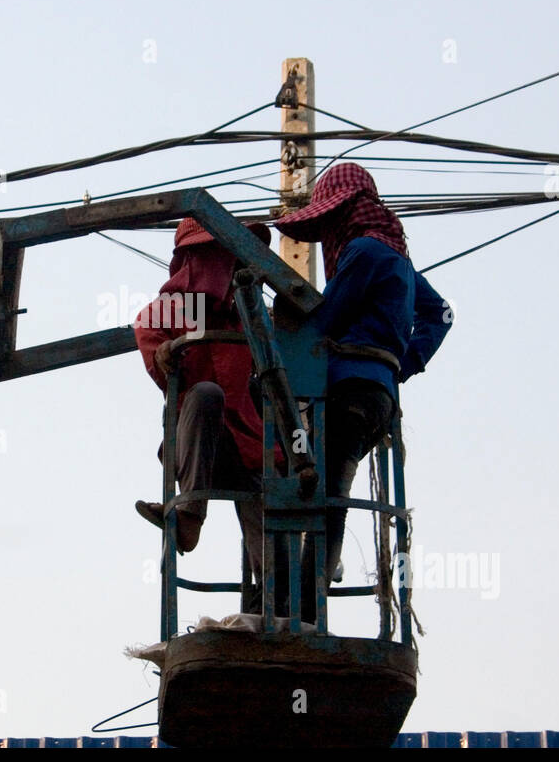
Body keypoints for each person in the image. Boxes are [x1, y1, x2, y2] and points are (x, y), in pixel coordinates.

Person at [275, 163, 453, 624]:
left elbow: (327, 319)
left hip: (346, 386)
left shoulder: (362, 252)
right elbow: (443, 314)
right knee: (335, 481)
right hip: (378, 394)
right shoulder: (399, 261)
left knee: (326, 488)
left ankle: (306, 601)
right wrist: (403, 363)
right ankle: (313, 584)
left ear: (346, 215)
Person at [133, 217, 271, 605]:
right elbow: (159, 363)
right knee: (206, 394)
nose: (220, 264)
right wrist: (165, 353)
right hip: (196, 446)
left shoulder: (250, 316)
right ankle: (190, 515)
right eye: (211, 254)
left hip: (246, 445)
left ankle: (277, 606)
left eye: (225, 255)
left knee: (267, 490)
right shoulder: (161, 316)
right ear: (192, 259)